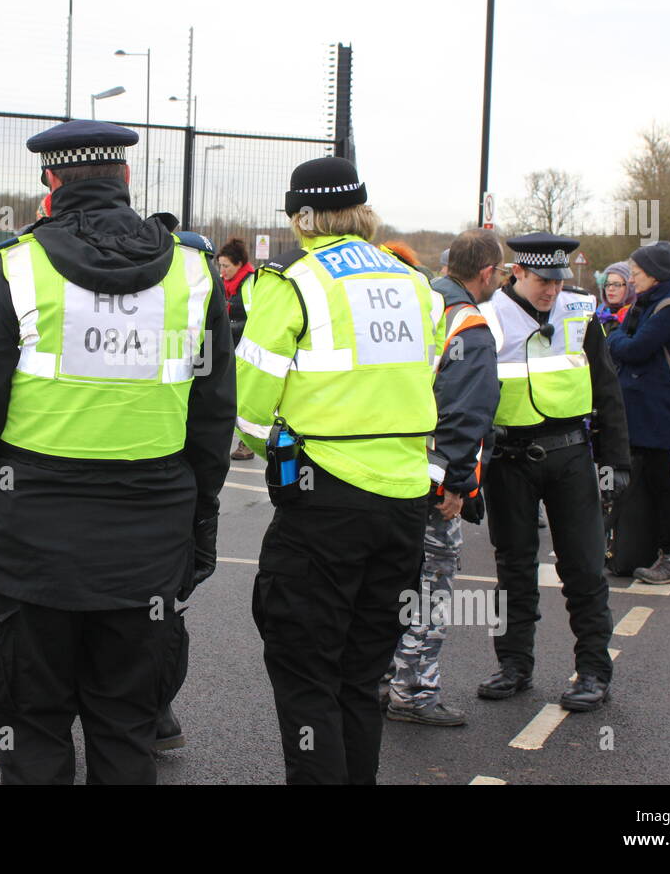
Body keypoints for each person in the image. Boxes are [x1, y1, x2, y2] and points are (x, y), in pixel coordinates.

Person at [0, 120, 235, 785]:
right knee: (126, 728)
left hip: (30, 543)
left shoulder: (18, 268)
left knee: (33, 728)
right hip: (148, 542)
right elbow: (212, 420)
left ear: (51, 186)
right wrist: (200, 526)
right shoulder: (192, 272)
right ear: (126, 180)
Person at [237, 156, 437, 784]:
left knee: (306, 675)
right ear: (362, 211)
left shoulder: (291, 282)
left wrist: (285, 450)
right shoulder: (415, 282)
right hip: (405, 500)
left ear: (302, 217)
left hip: (323, 503)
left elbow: (247, 409)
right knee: (361, 676)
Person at [476, 232, 630, 713]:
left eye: (559, 280)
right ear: (516, 272)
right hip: (508, 459)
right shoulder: (487, 315)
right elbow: (468, 393)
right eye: (543, 280)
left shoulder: (579, 311)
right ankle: (514, 666)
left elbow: (606, 385)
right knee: (513, 567)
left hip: (569, 455)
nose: (552, 290)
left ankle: (592, 671)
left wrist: (616, 460)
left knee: (584, 566)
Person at [385, 228, 502, 727]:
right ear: (488, 273)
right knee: (431, 589)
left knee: (390, 583)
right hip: (432, 481)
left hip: (388, 471)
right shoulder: (469, 326)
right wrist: (454, 484)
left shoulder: (418, 302)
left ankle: (380, 677)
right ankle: (413, 691)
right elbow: (465, 413)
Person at [606, 242, 670, 584]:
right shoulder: (647, 303)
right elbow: (625, 340)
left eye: (637, 273)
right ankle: (638, 549)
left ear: (654, 275)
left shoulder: (668, 308)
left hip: (655, 412)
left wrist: (613, 338)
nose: (632, 279)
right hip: (640, 409)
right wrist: (618, 339)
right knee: (640, 484)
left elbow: (634, 348)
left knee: (661, 483)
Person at [217, 237, 256, 461]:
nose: (222, 271)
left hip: (246, 351)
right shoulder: (226, 284)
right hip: (231, 349)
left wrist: (228, 326)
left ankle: (247, 443)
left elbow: (255, 319)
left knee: (243, 398)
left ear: (239, 264)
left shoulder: (250, 283)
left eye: (226, 266)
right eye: (220, 266)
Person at [594, 260, 636, 335]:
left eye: (617, 284)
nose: (610, 289)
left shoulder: (636, 316)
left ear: (630, 287)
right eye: (607, 284)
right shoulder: (597, 314)